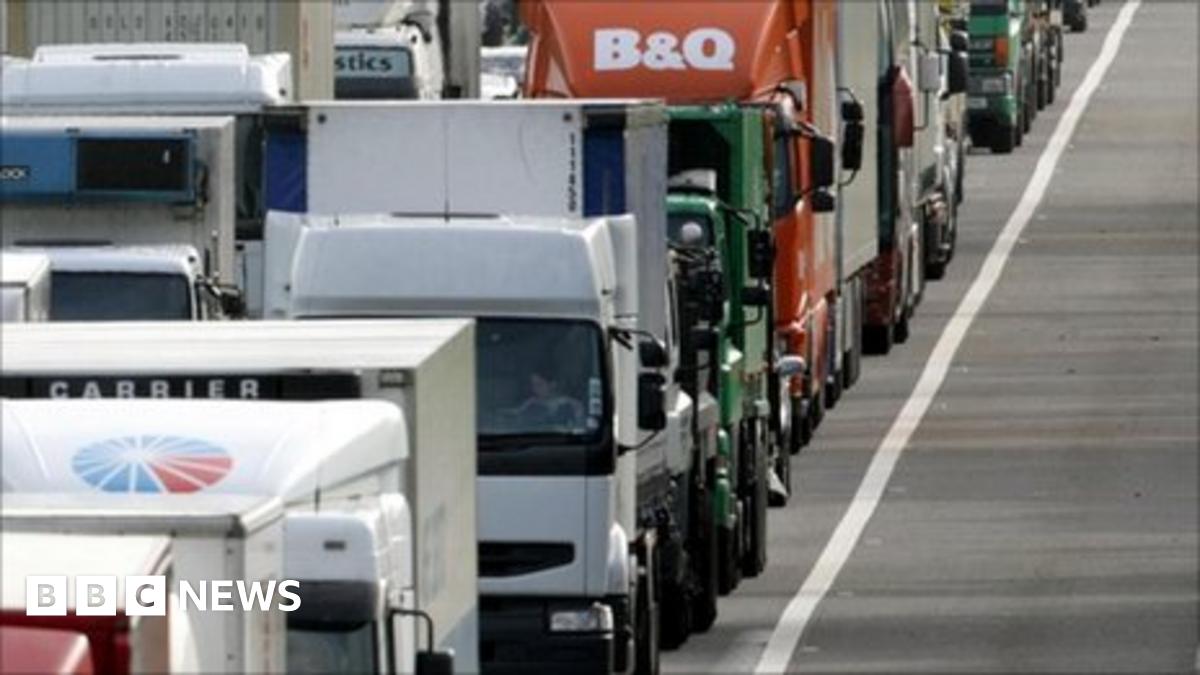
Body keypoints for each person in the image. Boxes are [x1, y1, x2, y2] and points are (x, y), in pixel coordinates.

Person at [505, 368, 585, 430]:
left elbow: (579, 428)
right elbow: (515, 419)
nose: (535, 389)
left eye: (539, 384)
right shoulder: (529, 405)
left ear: (552, 384)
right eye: (533, 385)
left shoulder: (574, 405)